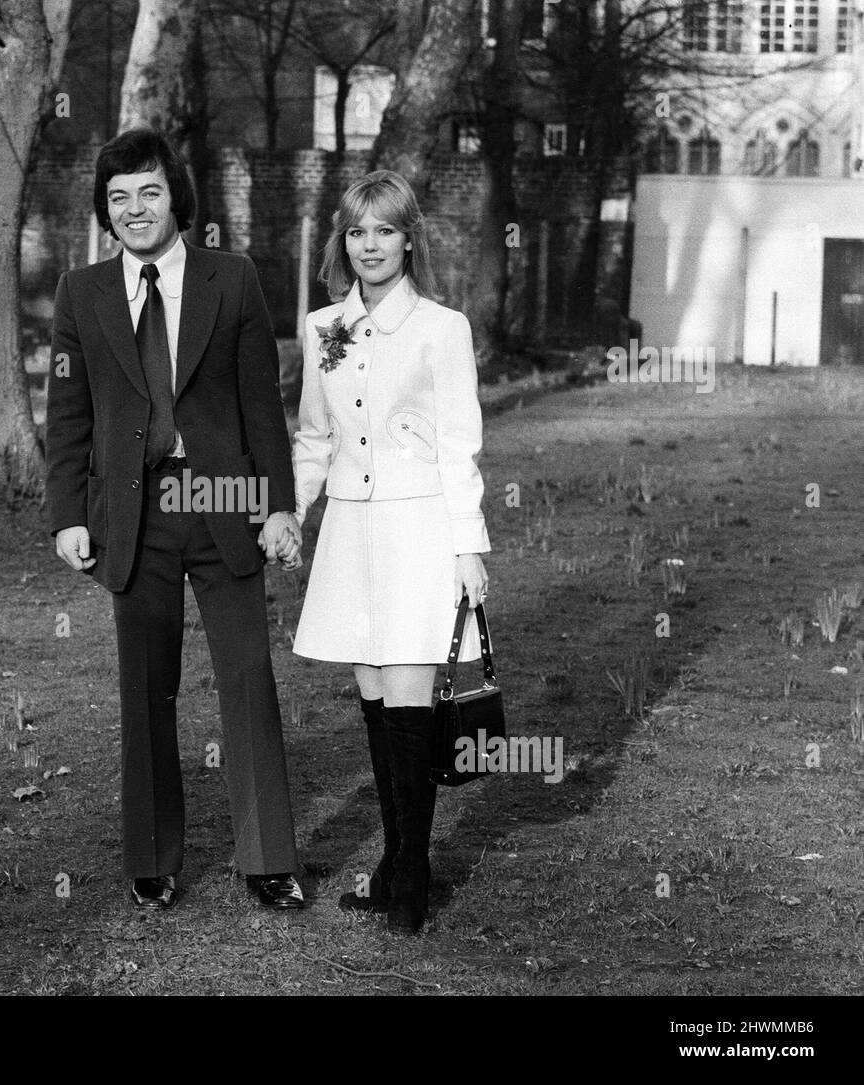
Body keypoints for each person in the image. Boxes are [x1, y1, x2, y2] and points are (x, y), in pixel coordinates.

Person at [45, 128, 306, 912]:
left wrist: (280, 504)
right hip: (134, 512)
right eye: (118, 198)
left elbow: (263, 403)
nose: (134, 210)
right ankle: (152, 860)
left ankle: (268, 859)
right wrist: (67, 516)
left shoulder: (233, 279)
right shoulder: (80, 293)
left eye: (148, 192)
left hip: (224, 505)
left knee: (248, 678)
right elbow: (69, 418)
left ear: (176, 198)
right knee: (146, 687)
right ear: (105, 210)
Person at [288, 170, 491, 935]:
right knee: (375, 700)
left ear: (410, 239)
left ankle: (409, 873)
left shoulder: (444, 328)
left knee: (410, 699)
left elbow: (459, 445)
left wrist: (467, 544)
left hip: (419, 531)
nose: (370, 245)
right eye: (357, 232)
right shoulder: (323, 328)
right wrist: (294, 509)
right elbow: (314, 435)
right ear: (344, 241)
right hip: (350, 530)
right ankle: (402, 860)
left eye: (385, 230)